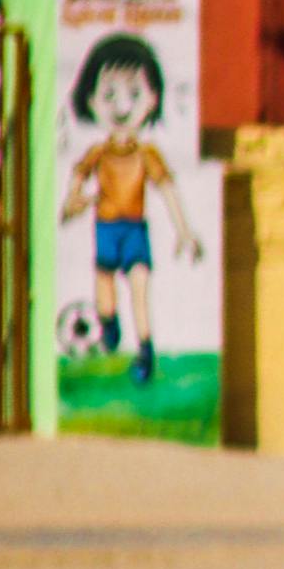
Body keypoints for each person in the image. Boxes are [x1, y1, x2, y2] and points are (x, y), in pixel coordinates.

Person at [64, 32, 197, 384]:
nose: (122, 105)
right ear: (90, 98)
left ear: (152, 99)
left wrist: (184, 231)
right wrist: (73, 201)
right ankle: (109, 324)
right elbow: (76, 181)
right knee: (105, 293)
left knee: (140, 287)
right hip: (106, 228)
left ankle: (145, 351)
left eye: (134, 94)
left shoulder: (146, 154)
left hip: (135, 229)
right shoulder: (98, 152)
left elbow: (167, 189)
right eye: (108, 94)